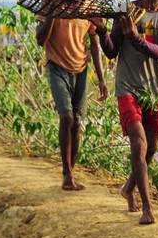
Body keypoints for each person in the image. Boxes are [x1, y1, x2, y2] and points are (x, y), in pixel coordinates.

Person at [101, 0, 158, 225]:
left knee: (152, 147)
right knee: (139, 142)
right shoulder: (128, 13)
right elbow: (112, 52)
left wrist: (134, 37)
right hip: (128, 88)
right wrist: (102, 31)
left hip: (155, 90)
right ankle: (147, 207)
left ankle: (127, 187)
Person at [37, 14, 108, 191]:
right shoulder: (51, 4)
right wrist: (53, 14)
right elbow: (40, 39)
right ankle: (67, 172)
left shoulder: (88, 7)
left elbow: (94, 45)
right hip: (56, 66)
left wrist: (101, 78)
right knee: (66, 116)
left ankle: (70, 170)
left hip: (81, 69)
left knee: (77, 122)